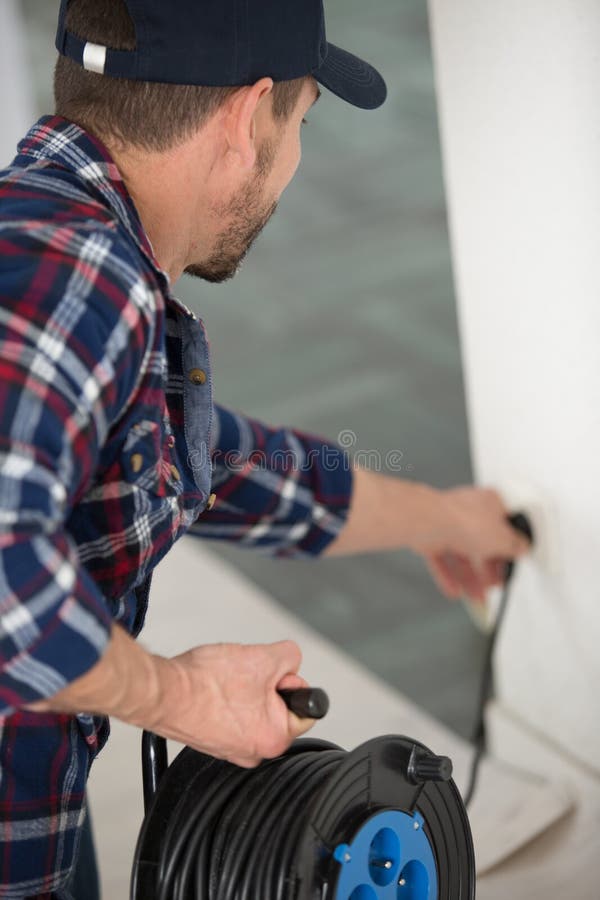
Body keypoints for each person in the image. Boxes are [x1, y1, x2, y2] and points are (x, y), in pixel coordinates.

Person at [0, 0, 530, 896]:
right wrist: (183, 697)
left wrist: (445, 520)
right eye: (303, 123)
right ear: (247, 119)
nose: (292, 168)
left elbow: (230, 466)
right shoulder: (93, 282)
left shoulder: (43, 235)